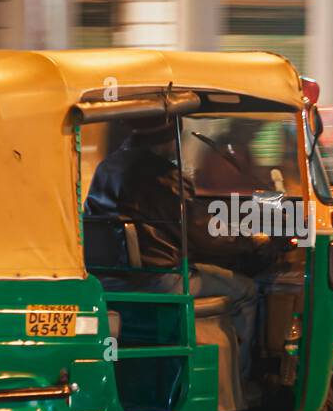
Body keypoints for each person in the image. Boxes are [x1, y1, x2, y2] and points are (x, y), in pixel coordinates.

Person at [84, 117, 262, 379]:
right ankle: (245, 383)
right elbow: (203, 234)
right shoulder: (164, 177)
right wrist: (250, 240)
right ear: (169, 141)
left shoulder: (107, 167)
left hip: (111, 279)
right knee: (247, 290)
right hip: (157, 280)